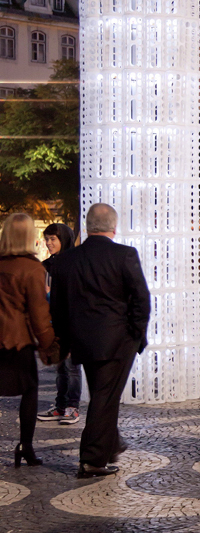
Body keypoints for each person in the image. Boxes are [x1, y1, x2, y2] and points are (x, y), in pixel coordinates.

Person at [49, 203, 151, 479]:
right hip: (118, 341)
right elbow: (141, 298)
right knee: (105, 397)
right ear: (114, 227)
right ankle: (93, 459)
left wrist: (65, 338)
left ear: (88, 225)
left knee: (102, 395)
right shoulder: (124, 255)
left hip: (83, 340)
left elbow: (57, 307)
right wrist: (136, 334)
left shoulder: (67, 260)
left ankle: (111, 443)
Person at [0, 213, 59, 466]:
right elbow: (38, 312)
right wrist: (49, 344)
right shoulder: (33, 268)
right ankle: (26, 446)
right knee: (30, 390)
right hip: (17, 341)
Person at [37, 223, 82, 425]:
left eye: (53, 239)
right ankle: (60, 406)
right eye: (47, 239)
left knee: (72, 367)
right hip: (53, 324)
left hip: (72, 323)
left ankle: (72, 407)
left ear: (63, 240)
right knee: (60, 368)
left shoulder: (75, 264)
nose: (48, 243)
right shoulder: (47, 265)